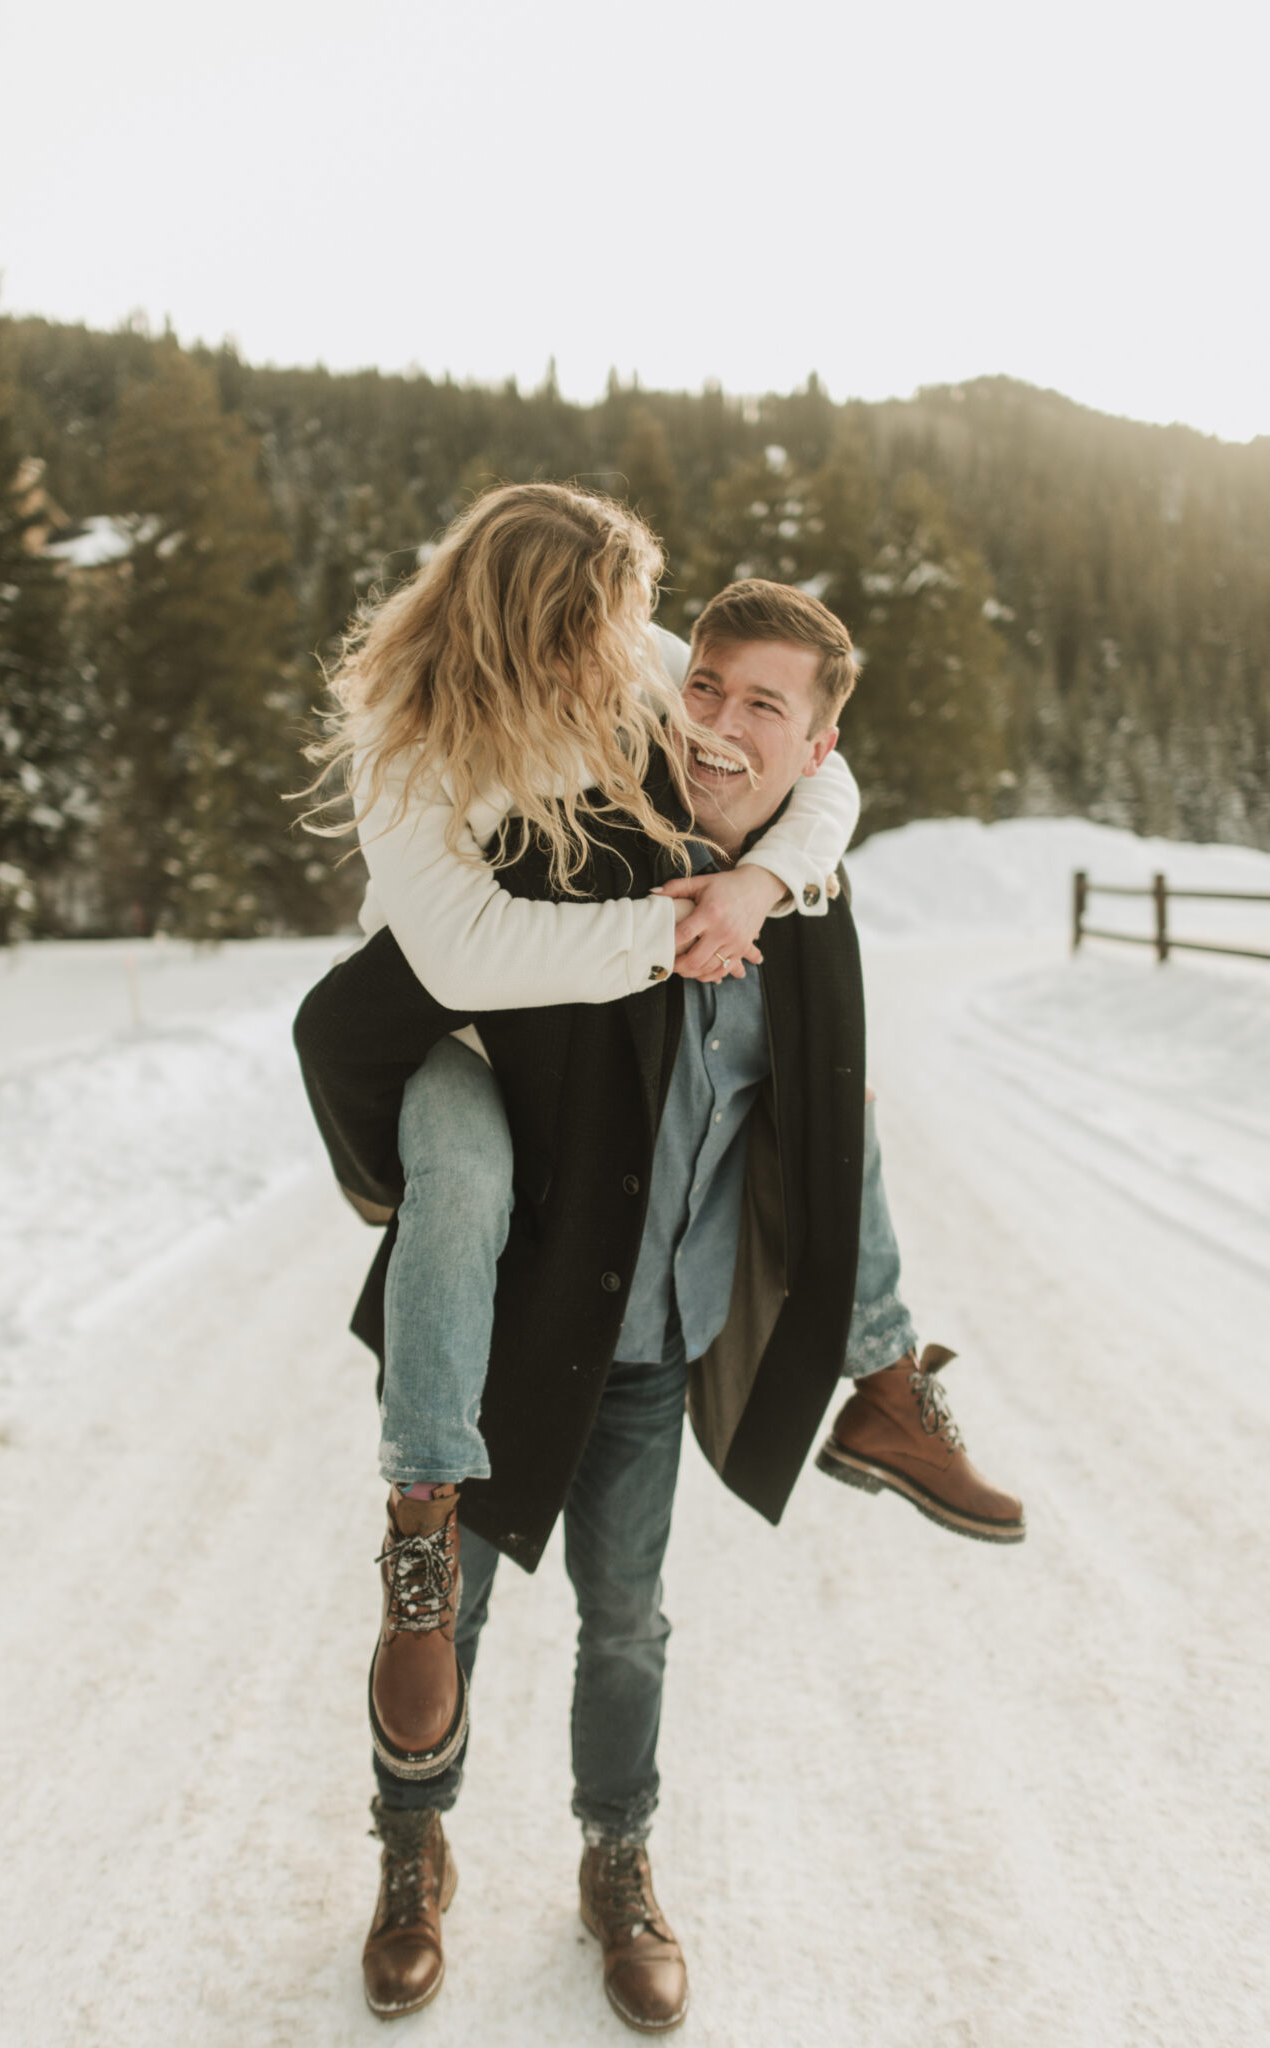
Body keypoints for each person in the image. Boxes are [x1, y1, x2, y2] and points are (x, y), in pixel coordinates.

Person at [296, 558, 1024, 2029]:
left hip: (654, 1343)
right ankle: (411, 1856)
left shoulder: (811, 913)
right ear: (664, 689)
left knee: (628, 1622)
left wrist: (854, 1330)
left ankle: (617, 1864)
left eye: (766, 706)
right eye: (706, 687)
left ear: (818, 748)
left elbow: (824, 1122)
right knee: (446, 1620)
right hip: (509, 1320)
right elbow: (407, 983)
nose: (723, 722)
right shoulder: (581, 849)